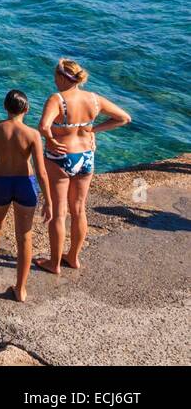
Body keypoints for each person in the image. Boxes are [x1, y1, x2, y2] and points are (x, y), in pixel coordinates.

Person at [35, 59, 131, 273]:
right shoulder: (94, 100)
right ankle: (73, 257)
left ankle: (54, 263)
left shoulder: (57, 99)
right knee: (79, 209)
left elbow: (43, 126)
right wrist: (93, 130)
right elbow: (124, 118)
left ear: (61, 78)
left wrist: (50, 141)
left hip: (61, 158)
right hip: (86, 157)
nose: (54, 80)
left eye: (54, 77)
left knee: (59, 213)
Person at [0, 90, 52, 301]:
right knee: (25, 236)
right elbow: (41, 171)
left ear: (5, 107)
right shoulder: (32, 134)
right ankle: (20, 289)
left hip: (1, 181)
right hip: (24, 184)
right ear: (26, 109)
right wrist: (48, 201)